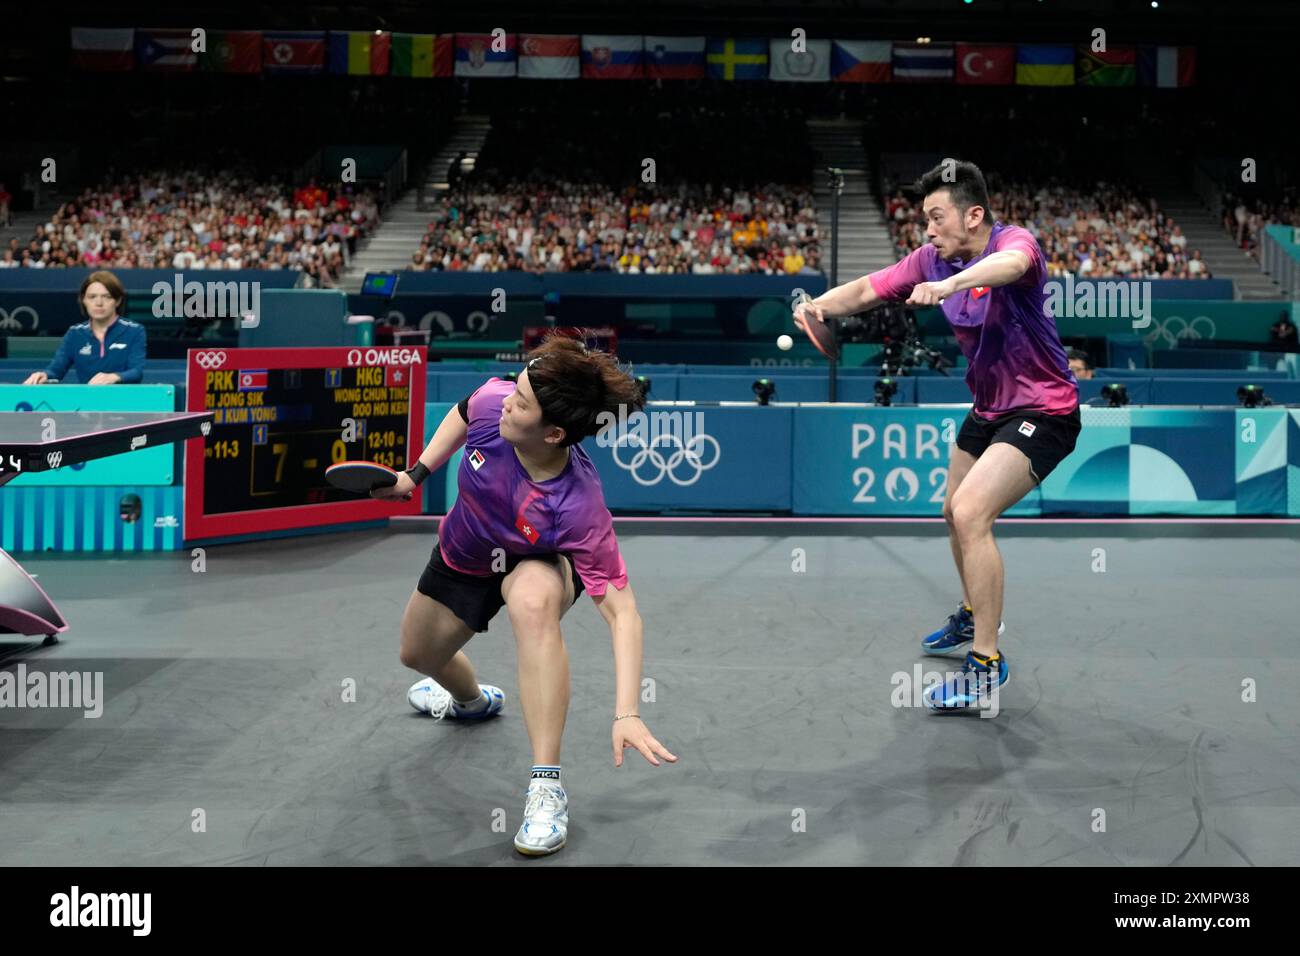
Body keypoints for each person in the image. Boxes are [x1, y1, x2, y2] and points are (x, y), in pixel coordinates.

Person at [374, 334, 677, 855]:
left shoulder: (577, 503)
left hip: (539, 557)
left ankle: (546, 788)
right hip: (466, 550)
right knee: (417, 654)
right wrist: (416, 473)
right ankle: (471, 702)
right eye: (513, 390)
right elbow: (466, 409)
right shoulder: (498, 406)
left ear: (554, 432)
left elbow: (623, 613)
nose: (505, 401)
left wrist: (627, 710)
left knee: (532, 603)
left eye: (520, 402)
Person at [795, 159, 1080, 711]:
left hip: (1044, 410)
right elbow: (872, 288)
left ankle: (986, 664)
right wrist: (818, 307)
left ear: (973, 215)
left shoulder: (1012, 243)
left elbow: (1010, 264)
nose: (927, 229)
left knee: (974, 512)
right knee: (952, 510)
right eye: (924, 219)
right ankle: (974, 612)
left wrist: (949, 283)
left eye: (935, 217)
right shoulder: (930, 258)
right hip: (989, 408)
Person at [23, 270, 146, 385]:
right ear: (84, 300)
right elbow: (56, 370)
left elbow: (136, 372)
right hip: (87, 404)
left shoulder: (134, 330)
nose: (99, 303)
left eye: (106, 296)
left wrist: (114, 377)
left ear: (118, 301)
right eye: (92, 297)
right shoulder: (75, 333)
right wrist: (44, 375)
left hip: (124, 403)